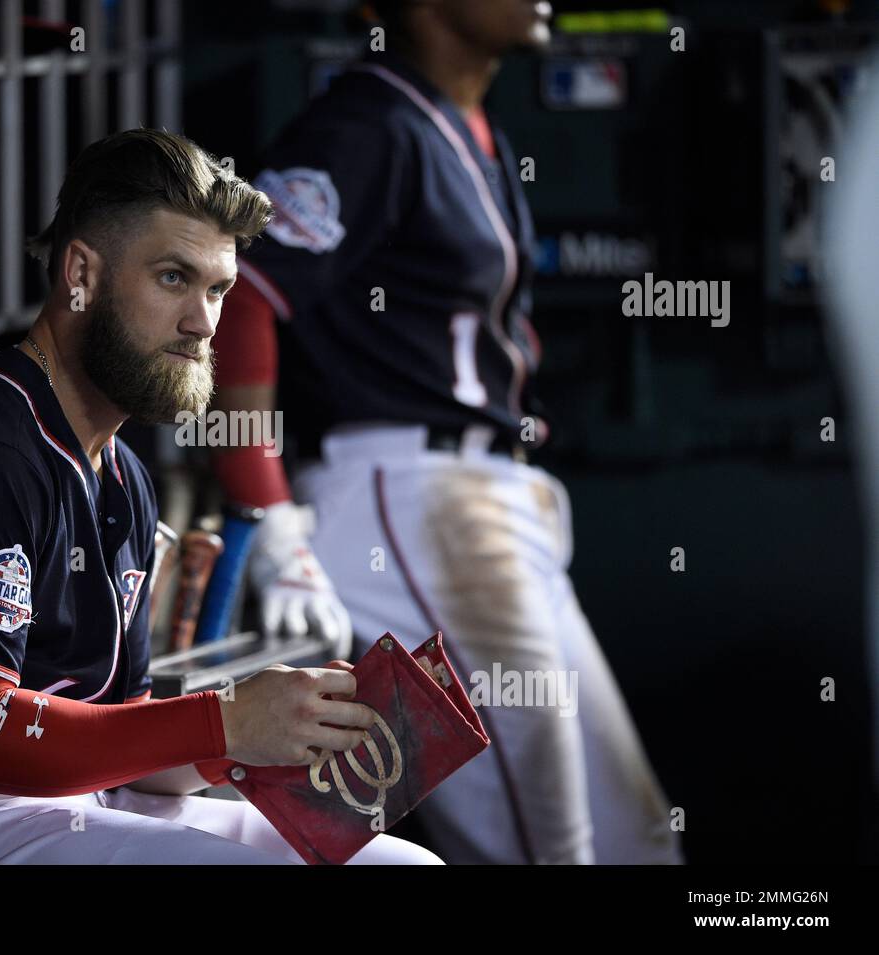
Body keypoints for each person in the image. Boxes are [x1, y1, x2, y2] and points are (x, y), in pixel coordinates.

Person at [0, 128, 442, 865]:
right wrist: (222, 721)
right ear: (81, 273)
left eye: (218, 290)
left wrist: (273, 729)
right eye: (174, 278)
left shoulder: (123, 476)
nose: (203, 322)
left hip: (64, 806)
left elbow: (123, 735)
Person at [210, 0, 681, 864]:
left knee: (634, 839)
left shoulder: (464, 123)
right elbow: (242, 294)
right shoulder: (366, 120)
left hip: (495, 502)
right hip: (412, 493)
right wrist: (270, 520)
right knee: (554, 848)